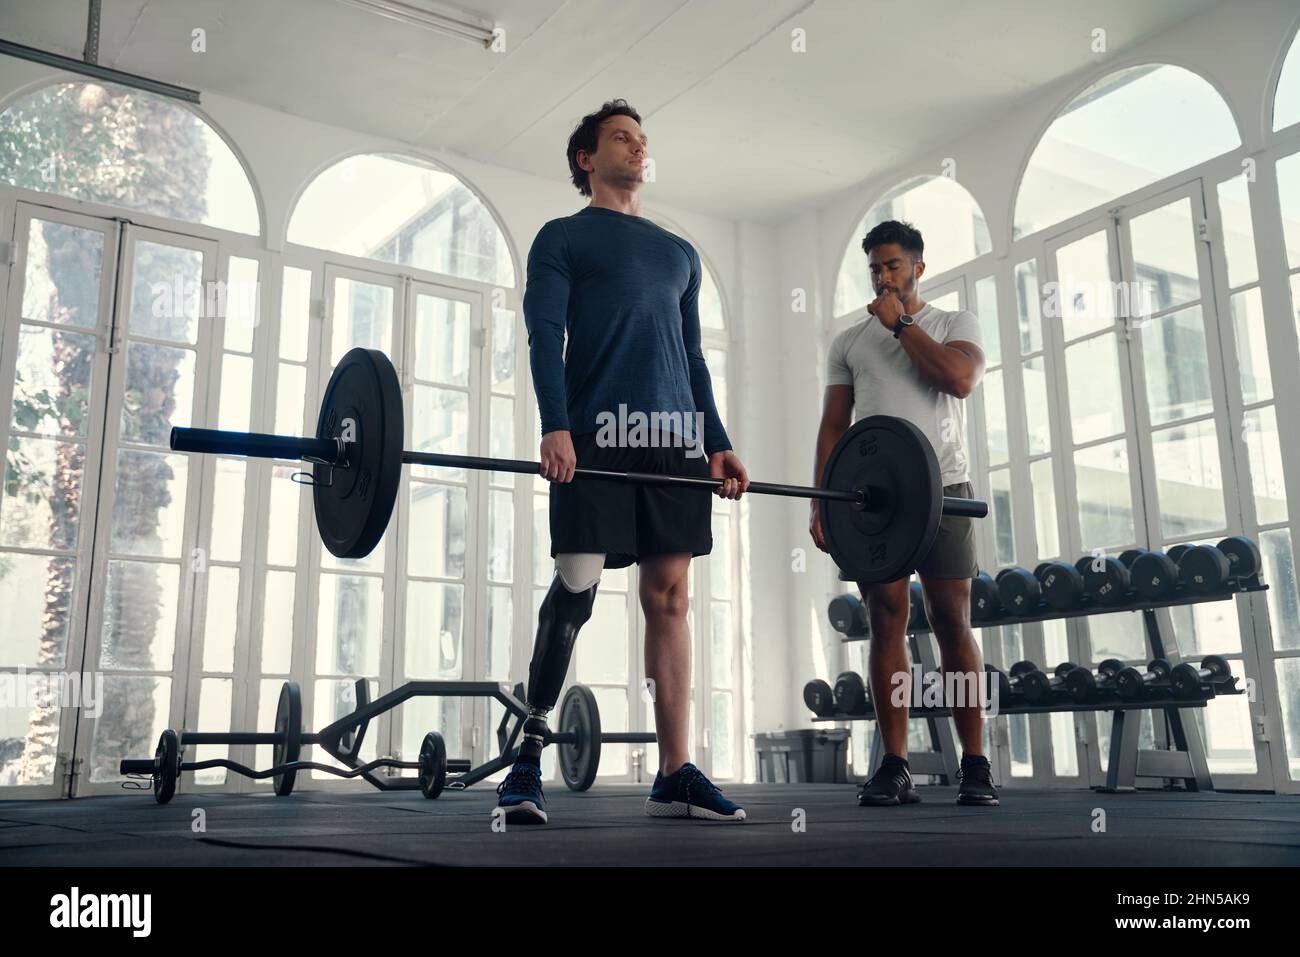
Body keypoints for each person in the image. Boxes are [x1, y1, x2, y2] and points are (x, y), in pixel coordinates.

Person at [494, 99, 749, 824]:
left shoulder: (680, 253)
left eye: (642, 140)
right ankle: (529, 746)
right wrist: (556, 425)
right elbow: (545, 336)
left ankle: (674, 769)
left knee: (669, 597)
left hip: (673, 439)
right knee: (577, 581)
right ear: (585, 158)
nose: (637, 149)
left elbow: (693, 356)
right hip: (596, 433)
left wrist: (717, 438)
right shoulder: (562, 238)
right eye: (620, 139)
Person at [810, 220, 997, 807]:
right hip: (876, 497)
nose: (883, 276)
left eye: (893, 265)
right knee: (886, 615)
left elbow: (958, 379)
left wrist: (904, 325)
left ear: (918, 267)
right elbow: (834, 426)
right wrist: (823, 500)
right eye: (875, 268)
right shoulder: (849, 341)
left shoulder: (952, 323)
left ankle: (975, 764)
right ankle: (894, 765)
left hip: (944, 486)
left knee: (950, 619)